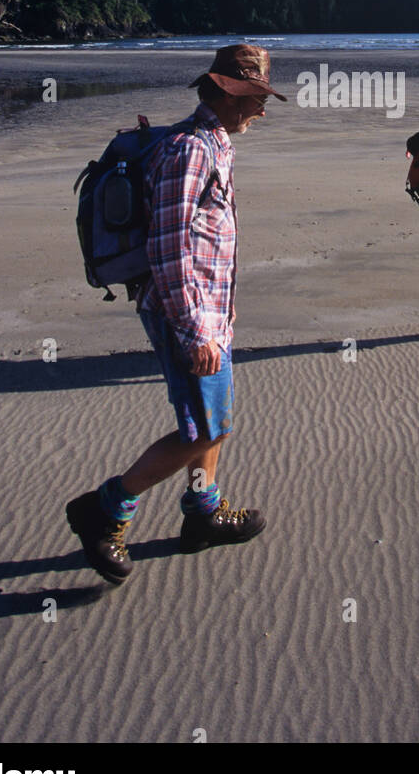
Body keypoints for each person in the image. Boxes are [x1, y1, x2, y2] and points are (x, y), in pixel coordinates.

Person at [66, 44, 286, 585]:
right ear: (231, 94)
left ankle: (203, 512)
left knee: (214, 425)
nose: (262, 109)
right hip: (184, 313)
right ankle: (105, 509)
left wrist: (220, 317)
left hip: (209, 312)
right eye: (257, 98)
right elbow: (168, 247)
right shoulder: (191, 150)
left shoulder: (215, 143)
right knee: (200, 430)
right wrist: (194, 330)